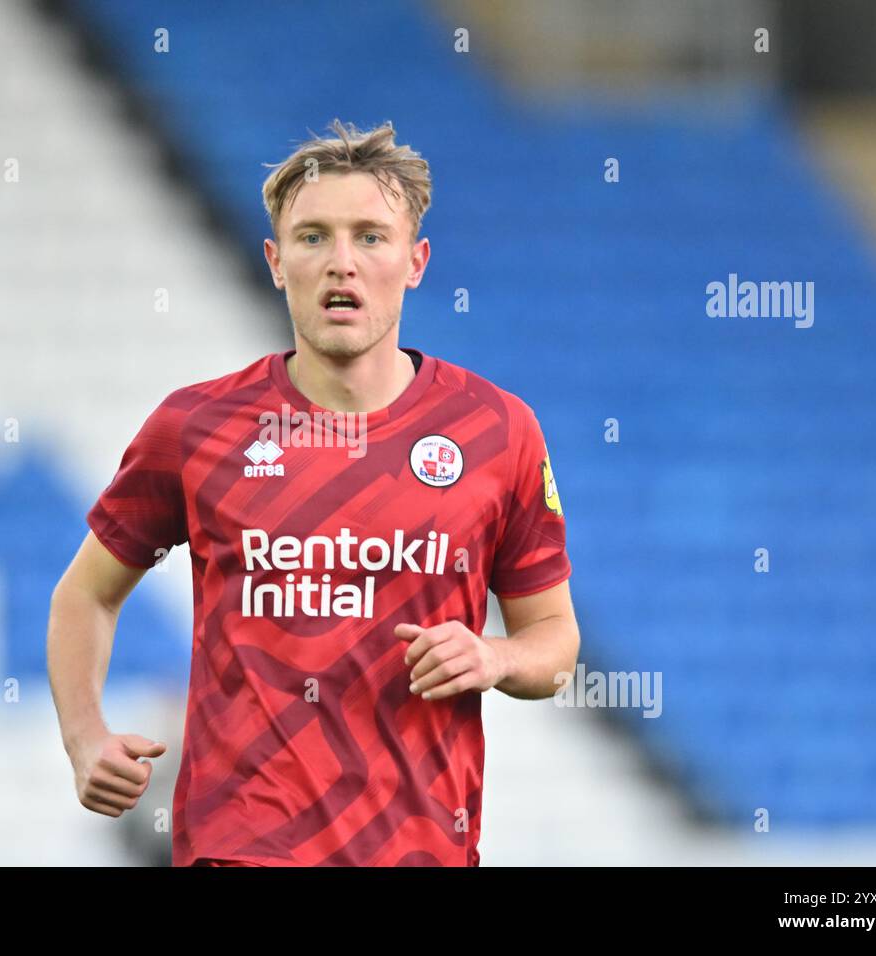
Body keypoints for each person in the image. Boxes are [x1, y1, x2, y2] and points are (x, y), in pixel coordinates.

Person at [47, 119, 580, 866]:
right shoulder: (196, 428)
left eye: (370, 237)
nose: (342, 264)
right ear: (274, 261)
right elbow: (86, 595)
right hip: (243, 845)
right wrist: (84, 738)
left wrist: (494, 659)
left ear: (416, 260)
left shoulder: (497, 430)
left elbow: (555, 642)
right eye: (312, 238)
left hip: (420, 847)